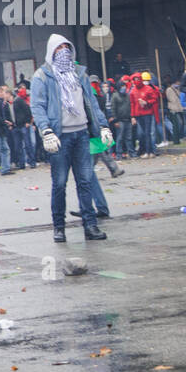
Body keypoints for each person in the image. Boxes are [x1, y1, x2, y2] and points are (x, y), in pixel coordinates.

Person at [32, 34, 112, 243]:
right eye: (59, 49)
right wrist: (46, 130)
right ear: (52, 51)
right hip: (59, 137)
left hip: (81, 134)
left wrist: (103, 125)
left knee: (85, 182)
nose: (64, 52)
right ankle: (59, 227)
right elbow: (37, 106)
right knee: (59, 184)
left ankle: (90, 225)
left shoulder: (80, 74)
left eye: (67, 47)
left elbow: (92, 102)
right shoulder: (42, 76)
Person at [132, 71, 162, 156]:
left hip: (150, 112)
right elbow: (133, 103)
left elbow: (155, 99)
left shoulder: (152, 88)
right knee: (142, 133)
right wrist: (133, 115)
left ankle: (152, 150)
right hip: (141, 113)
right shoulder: (135, 90)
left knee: (151, 132)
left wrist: (146, 102)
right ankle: (145, 149)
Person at [109, 76, 133, 158]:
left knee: (129, 138)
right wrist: (115, 120)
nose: (124, 88)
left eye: (125, 86)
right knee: (119, 137)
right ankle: (119, 154)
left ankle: (131, 153)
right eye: (122, 86)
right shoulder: (115, 96)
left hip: (128, 119)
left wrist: (132, 117)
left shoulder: (127, 95)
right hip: (120, 120)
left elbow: (130, 106)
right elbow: (113, 108)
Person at [165, 79, 186, 144]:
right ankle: (176, 136)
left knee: (181, 122)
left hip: (179, 108)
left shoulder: (178, 89)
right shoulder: (169, 89)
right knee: (178, 122)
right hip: (174, 108)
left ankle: (180, 135)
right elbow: (171, 99)